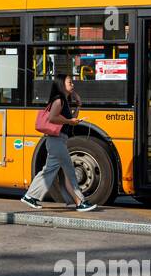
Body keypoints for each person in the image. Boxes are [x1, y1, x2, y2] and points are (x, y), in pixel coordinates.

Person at [21, 73, 97, 212]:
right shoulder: (59, 100)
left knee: (51, 171)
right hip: (56, 141)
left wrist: (78, 106)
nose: (72, 84)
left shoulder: (64, 102)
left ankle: (30, 196)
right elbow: (52, 118)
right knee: (69, 172)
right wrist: (69, 121)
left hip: (59, 140)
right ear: (62, 84)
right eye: (69, 82)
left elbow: (71, 121)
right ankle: (80, 202)